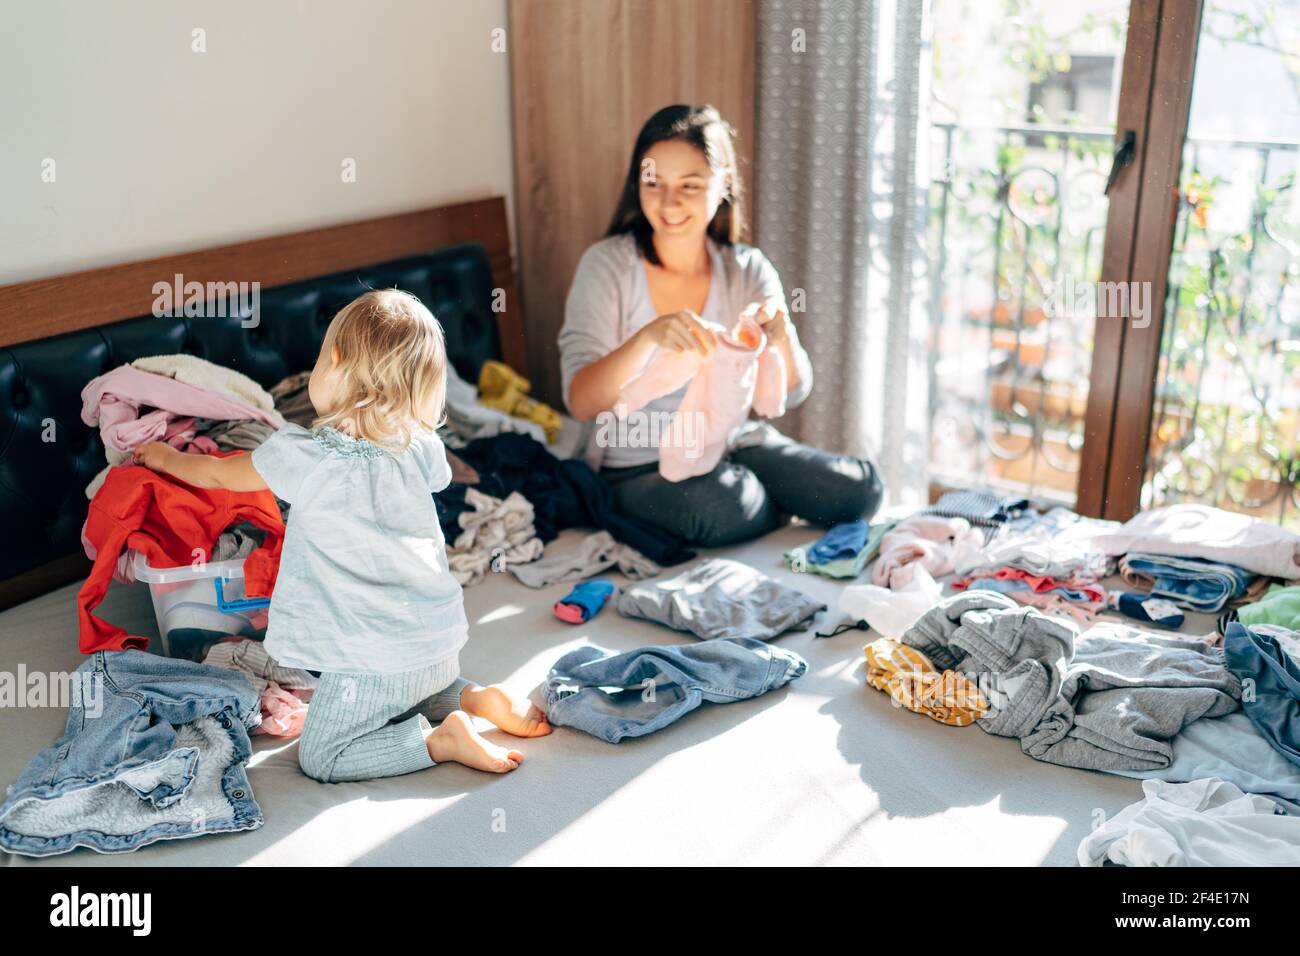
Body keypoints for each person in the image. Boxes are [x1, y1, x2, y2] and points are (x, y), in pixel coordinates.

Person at [137, 289, 550, 782]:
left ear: (332, 361)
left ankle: (437, 741)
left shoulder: (305, 456)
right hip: (437, 645)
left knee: (322, 756)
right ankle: (474, 696)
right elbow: (437, 475)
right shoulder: (422, 448)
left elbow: (215, 475)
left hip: (369, 661)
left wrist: (162, 457)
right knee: (406, 689)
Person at [560, 104, 883, 548]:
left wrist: (781, 335)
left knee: (860, 491)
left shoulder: (747, 269)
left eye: (689, 186)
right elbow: (580, 401)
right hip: (635, 466)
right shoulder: (607, 267)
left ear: (723, 185)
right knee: (715, 508)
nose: (669, 203)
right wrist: (648, 337)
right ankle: (762, 497)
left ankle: (757, 494)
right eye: (654, 183)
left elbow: (790, 392)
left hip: (731, 446)